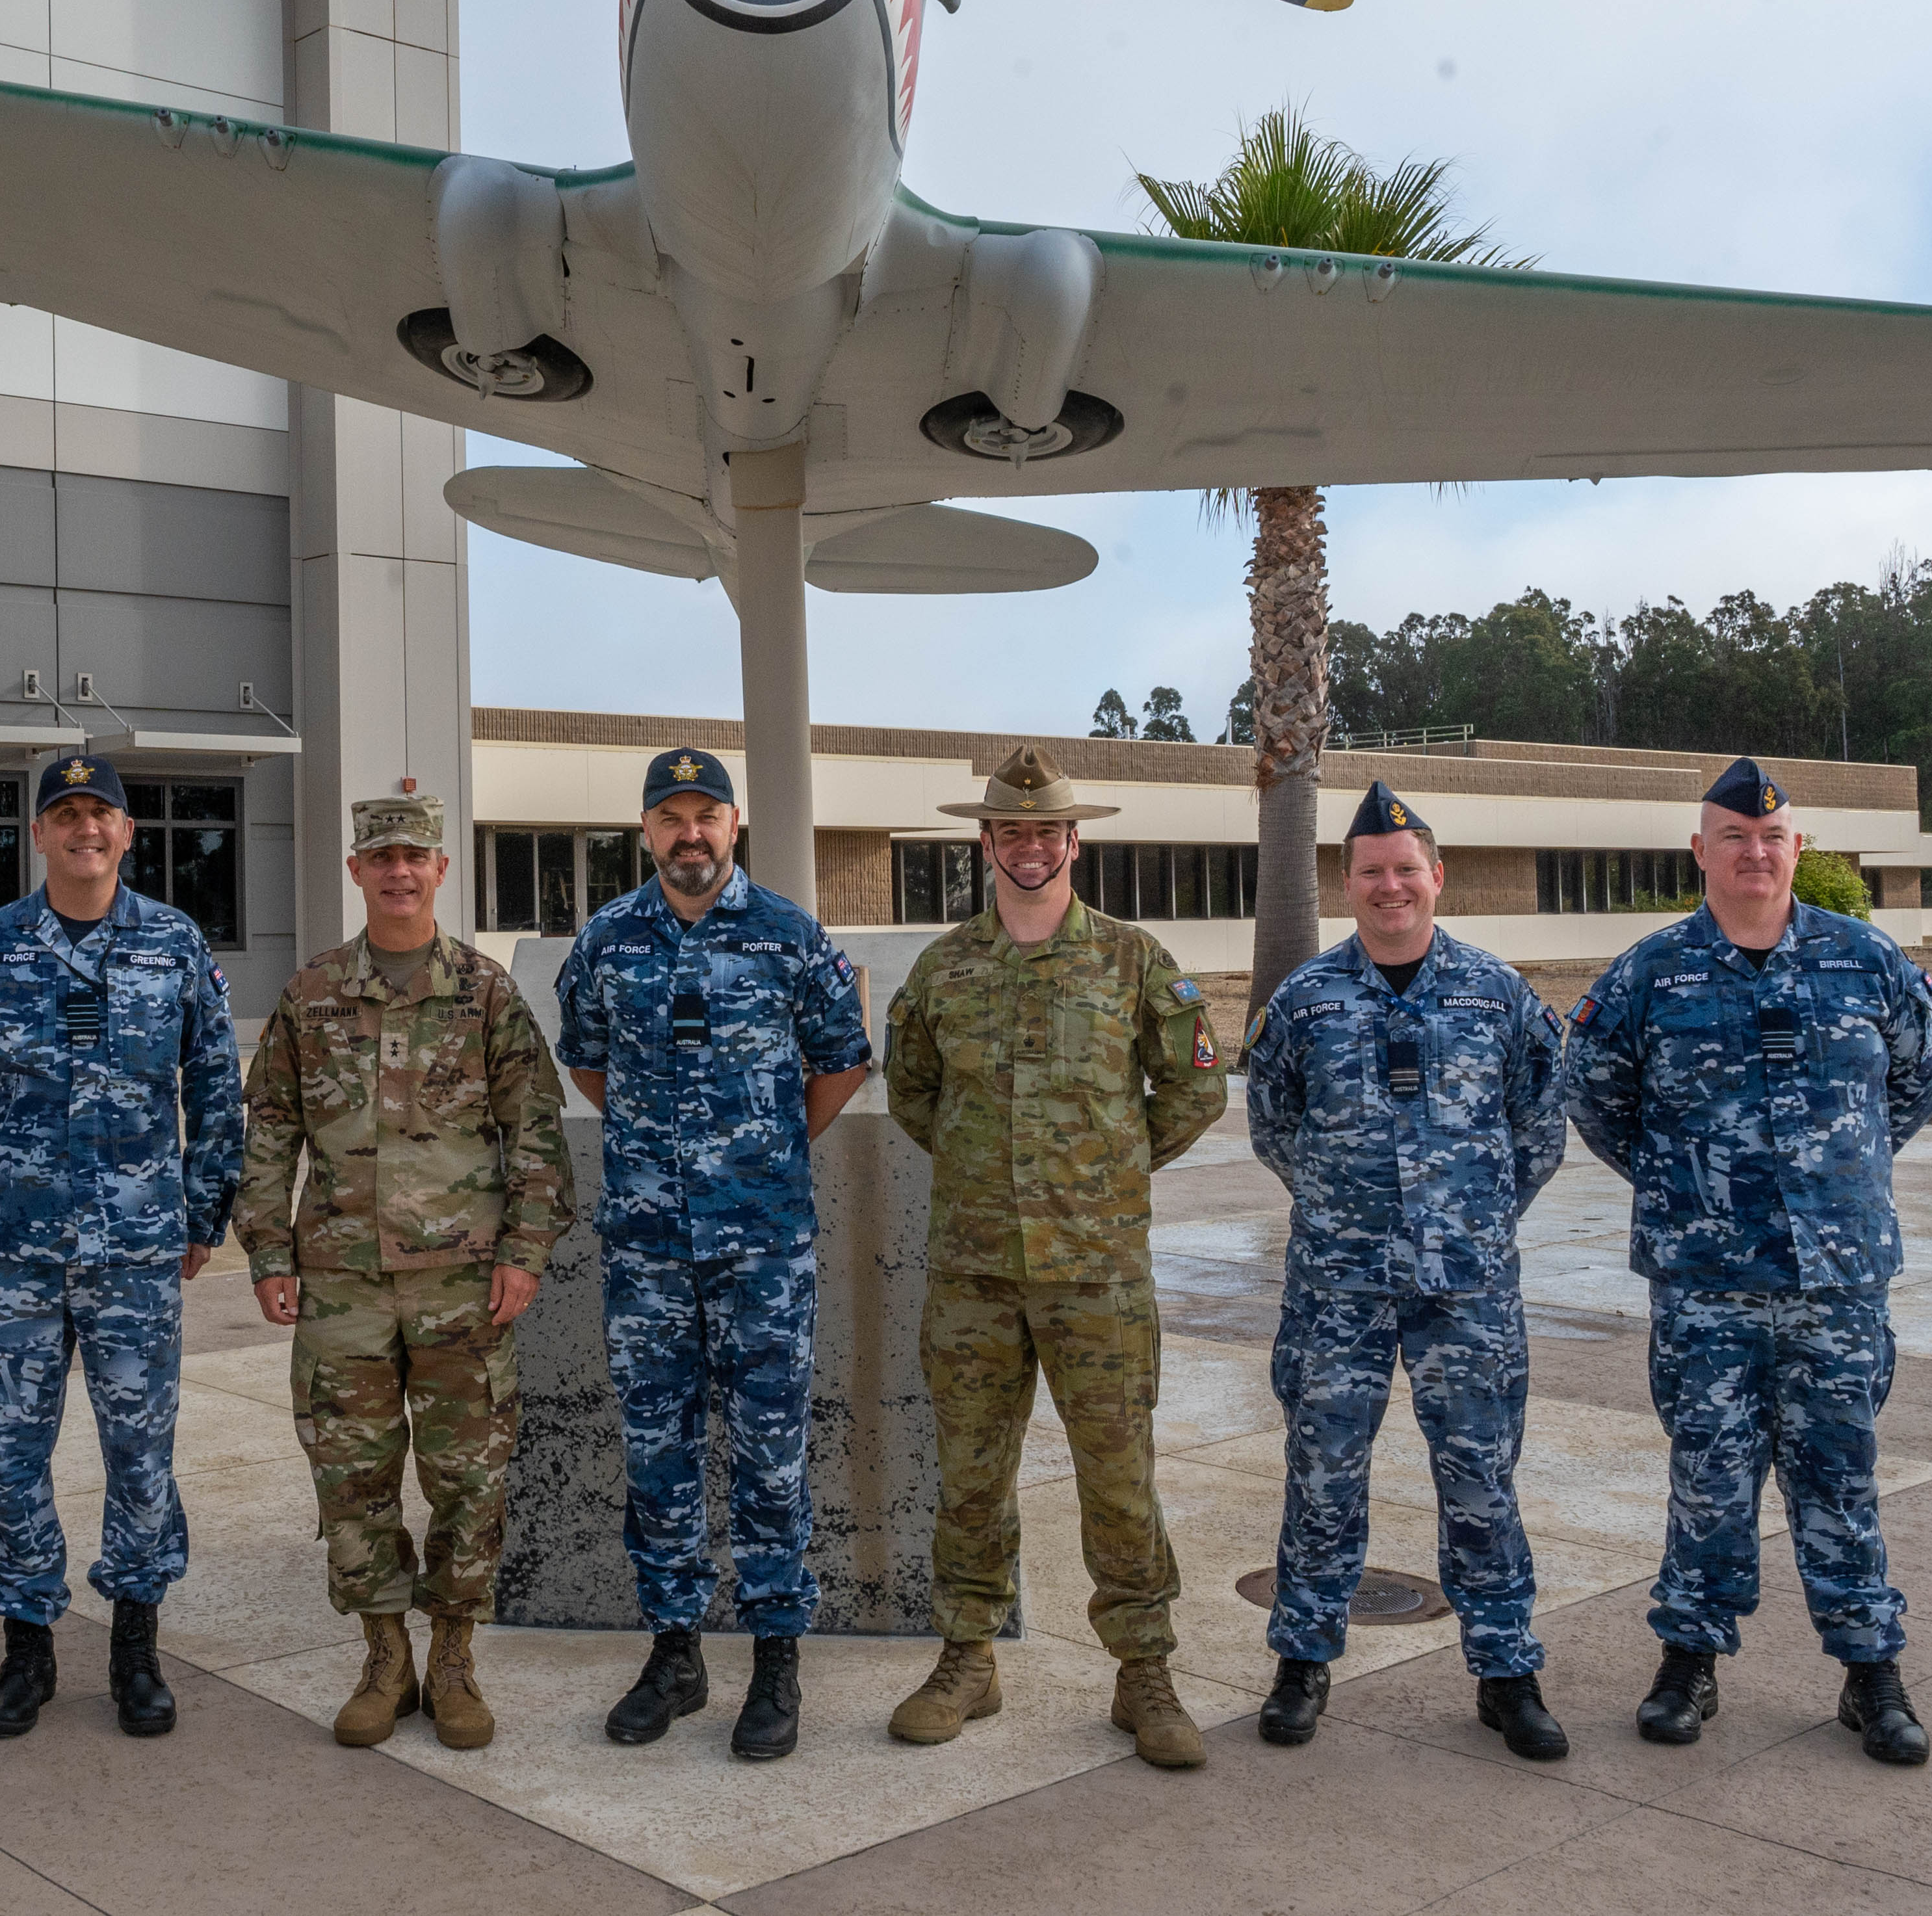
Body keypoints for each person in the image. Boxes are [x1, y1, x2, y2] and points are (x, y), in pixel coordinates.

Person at [1563, 755, 1932, 1766]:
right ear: (1702, 851)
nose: (1754, 852)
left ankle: (1873, 1674)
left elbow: (1920, 1077)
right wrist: (1683, 1181)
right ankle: (1689, 1661)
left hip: (1836, 1281)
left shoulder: (1867, 961)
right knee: (1708, 1477)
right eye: (1733, 837)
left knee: (1843, 1476)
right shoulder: (1653, 972)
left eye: (1771, 837)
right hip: (1708, 1282)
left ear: (1797, 848)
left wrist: (1842, 1172)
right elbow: (1595, 1093)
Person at [882, 744, 1227, 1769]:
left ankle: (1144, 1672)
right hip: (975, 1274)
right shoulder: (944, 968)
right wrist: (998, 1176)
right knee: (971, 1475)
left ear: (1074, 842)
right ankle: (969, 1656)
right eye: (1010, 832)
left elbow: (1195, 1090)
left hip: (1099, 1275)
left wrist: (1107, 1174)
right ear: (985, 844)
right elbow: (914, 1096)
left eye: (1047, 831)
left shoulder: (1134, 961)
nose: (1029, 847)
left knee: (1119, 1478)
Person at [0, 754, 244, 1742]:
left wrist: (201, 1212)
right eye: (66, 813)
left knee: (140, 1455)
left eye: (101, 813)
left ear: (127, 833)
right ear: (39, 832)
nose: (85, 828)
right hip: (13, 1253)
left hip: (138, 1253)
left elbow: (217, 1087)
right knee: (11, 1456)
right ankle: (27, 1648)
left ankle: (135, 1646)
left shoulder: (173, 944)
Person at [554, 748, 873, 1762]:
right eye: (670, 817)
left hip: (763, 1249)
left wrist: (763, 1154)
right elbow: (586, 1058)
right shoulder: (609, 940)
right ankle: (677, 1653)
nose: (689, 833)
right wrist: (664, 1155)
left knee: (771, 1456)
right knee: (659, 1452)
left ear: (737, 825)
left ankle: (777, 1659)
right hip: (648, 1248)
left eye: (707, 815)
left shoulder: (788, 936)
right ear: (644, 831)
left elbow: (841, 1060)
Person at [1245, 780, 1573, 1758]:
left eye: (1407, 869)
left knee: (1481, 1478)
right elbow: (1274, 1128)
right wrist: (1352, 1217)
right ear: (1346, 883)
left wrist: (1469, 1218)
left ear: (1438, 876)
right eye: (1373, 872)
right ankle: (1303, 1660)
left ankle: (1506, 1667)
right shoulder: (1305, 1002)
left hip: (1468, 1292)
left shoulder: (1497, 993)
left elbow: (1540, 1124)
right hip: (1338, 1291)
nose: (1392, 887)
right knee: (1322, 1473)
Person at [239, 789, 569, 1752]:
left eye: (413, 857)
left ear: (439, 870)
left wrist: (525, 1252)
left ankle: (454, 1656)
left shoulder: (485, 991)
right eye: (379, 856)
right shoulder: (311, 995)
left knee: (471, 1475)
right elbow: (269, 1132)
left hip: (465, 1285)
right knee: (353, 1475)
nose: (396, 871)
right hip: (341, 1284)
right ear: (355, 871)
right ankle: (385, 1655)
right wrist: (267, 1251)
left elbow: (537, 1130)